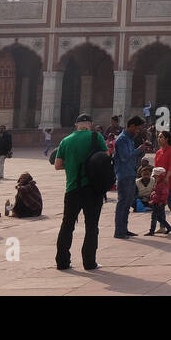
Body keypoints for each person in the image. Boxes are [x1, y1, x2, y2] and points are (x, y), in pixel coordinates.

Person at [54, 113, 108, 270]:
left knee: (67, 225)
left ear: (76, 125)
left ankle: (62, 262)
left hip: (72, 189)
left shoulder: (66, 140)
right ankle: (89, 262)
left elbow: (57, 165)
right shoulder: (96, 137)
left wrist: (72, 165)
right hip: (92, 189)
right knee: (92, 226)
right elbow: (104, 159)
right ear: (89, 124)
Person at [113, 116, 146, 239]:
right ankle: (119, 231)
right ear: (131, 126)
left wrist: (141, 151)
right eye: (137, 128)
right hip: (124, 175)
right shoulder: (122, 139)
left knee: (127, 204)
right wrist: (138, 150)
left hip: (130, 173)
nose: (138, 131)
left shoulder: (129, 139)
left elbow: (133, 157)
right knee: (122, 203)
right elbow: (124, 157)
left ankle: (124, 229)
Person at [154, 130, 171, 233]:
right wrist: (155, 178)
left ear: (167, 139)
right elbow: (156, 167)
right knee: (160, 204)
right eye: (158, 137)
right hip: (160, 183)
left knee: (170, 203)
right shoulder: (158, 152)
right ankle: (162, 226)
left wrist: (167, 177)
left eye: (161, 137)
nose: (159, 139)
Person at [147, 167, 171, 233]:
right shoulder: (158, 183)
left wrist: (161, 201)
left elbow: (165, 194)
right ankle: (168, 227)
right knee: (158, 217)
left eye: (156, 177)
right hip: (156, 202)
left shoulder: (163, 184)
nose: (155, 179)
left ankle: (151, 231)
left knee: (154, 217)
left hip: (159, 203)